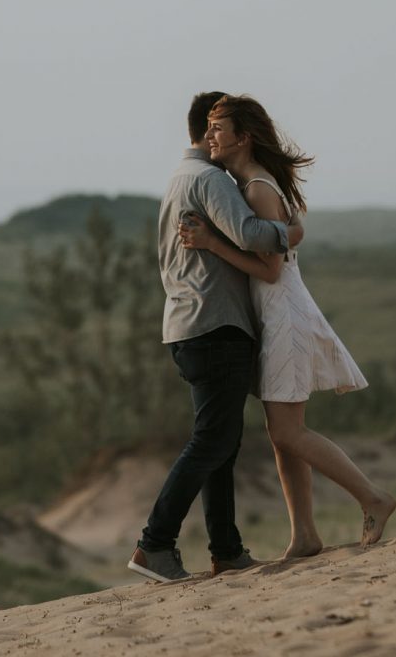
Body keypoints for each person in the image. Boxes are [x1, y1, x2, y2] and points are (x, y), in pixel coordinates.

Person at [179, 94, 396, 557]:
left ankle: (373, 497)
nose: (209, 136)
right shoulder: (250, 183)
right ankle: (304, 536)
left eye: (218, 128)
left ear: (243, 137)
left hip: (283, 316)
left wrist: (212, 245)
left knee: (287, 432)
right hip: (273, 316)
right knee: (284, 435)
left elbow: (271, 270)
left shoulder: (257, 188)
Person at [128, 91, 306, 583]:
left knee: (221, 443)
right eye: (215, 126)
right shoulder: (209, 179)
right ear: (206, 129)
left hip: (189, 324)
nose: (215, 135)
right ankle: (154, 544)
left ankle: (226, 550)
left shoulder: (180, 177)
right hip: (214, 324)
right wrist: (291, 232)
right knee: (212, 441)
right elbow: (251, 233)